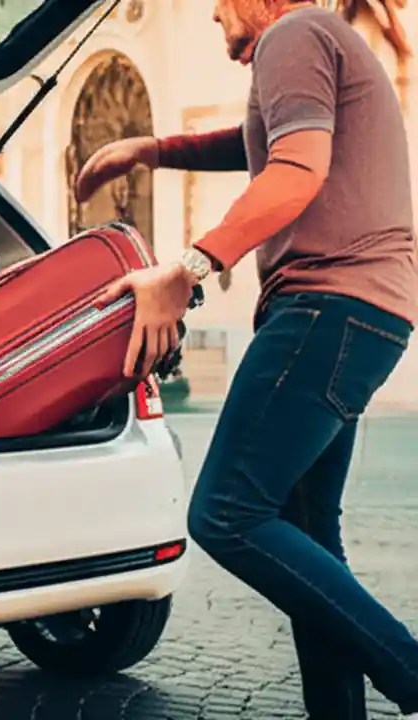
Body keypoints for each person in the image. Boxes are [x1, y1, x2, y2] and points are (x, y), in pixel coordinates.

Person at [76, 1, 418, 718]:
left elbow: (295, 169)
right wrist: (152, 149)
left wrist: (187, 269)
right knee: (306, 531)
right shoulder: (320, 39)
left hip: (325, 308)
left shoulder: (293, 34)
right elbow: (260, 141)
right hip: (367, 315)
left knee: (227, 513)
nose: (210, 14)